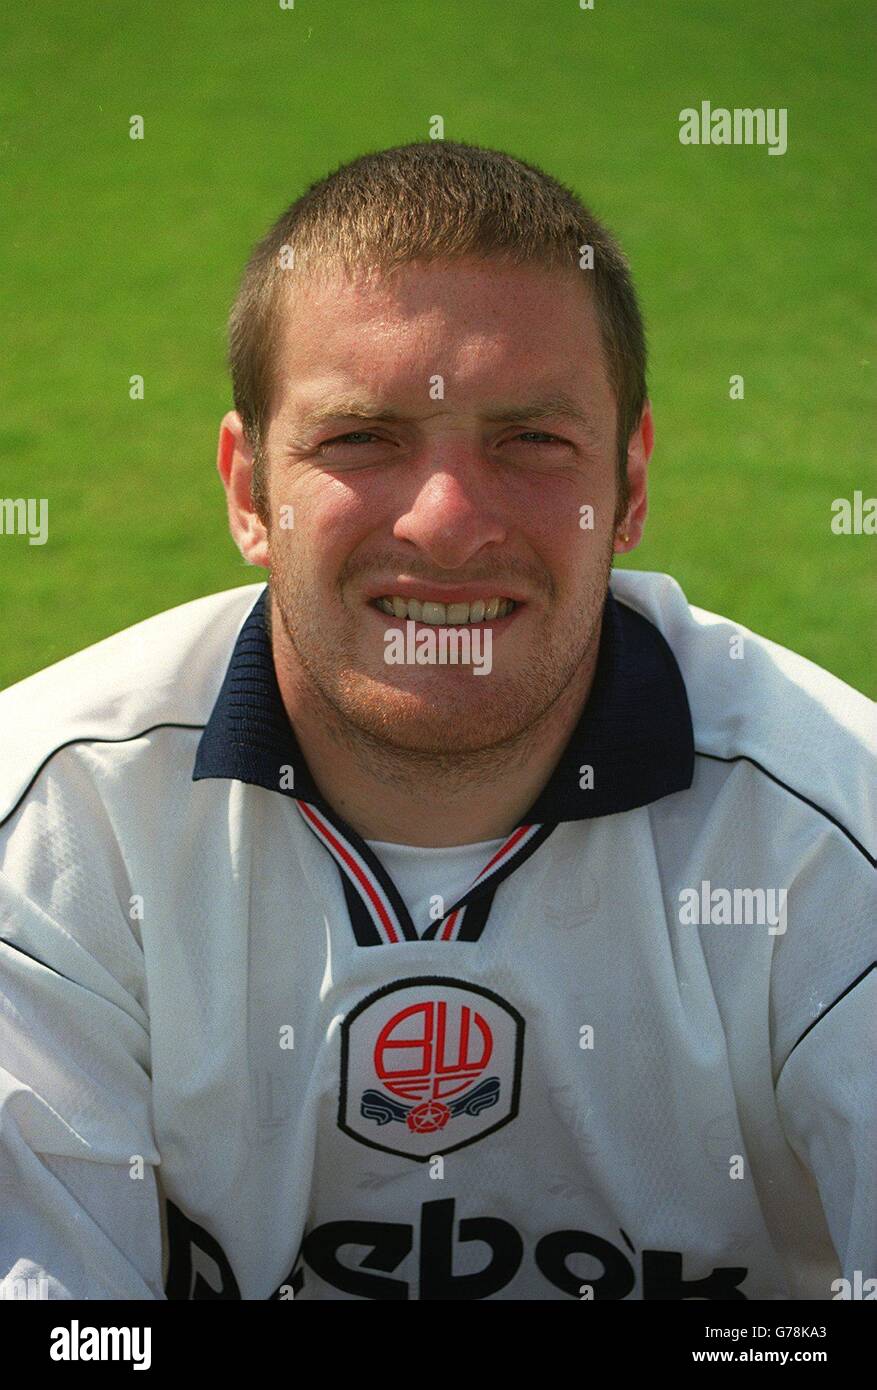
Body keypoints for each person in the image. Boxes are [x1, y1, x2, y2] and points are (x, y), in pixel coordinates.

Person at [0, 141, 873, 1301]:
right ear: (250, 490)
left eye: (529, 441)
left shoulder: (839, 828)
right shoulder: (49, 829)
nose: (448, 521)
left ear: (631, 481)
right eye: (362, 438)